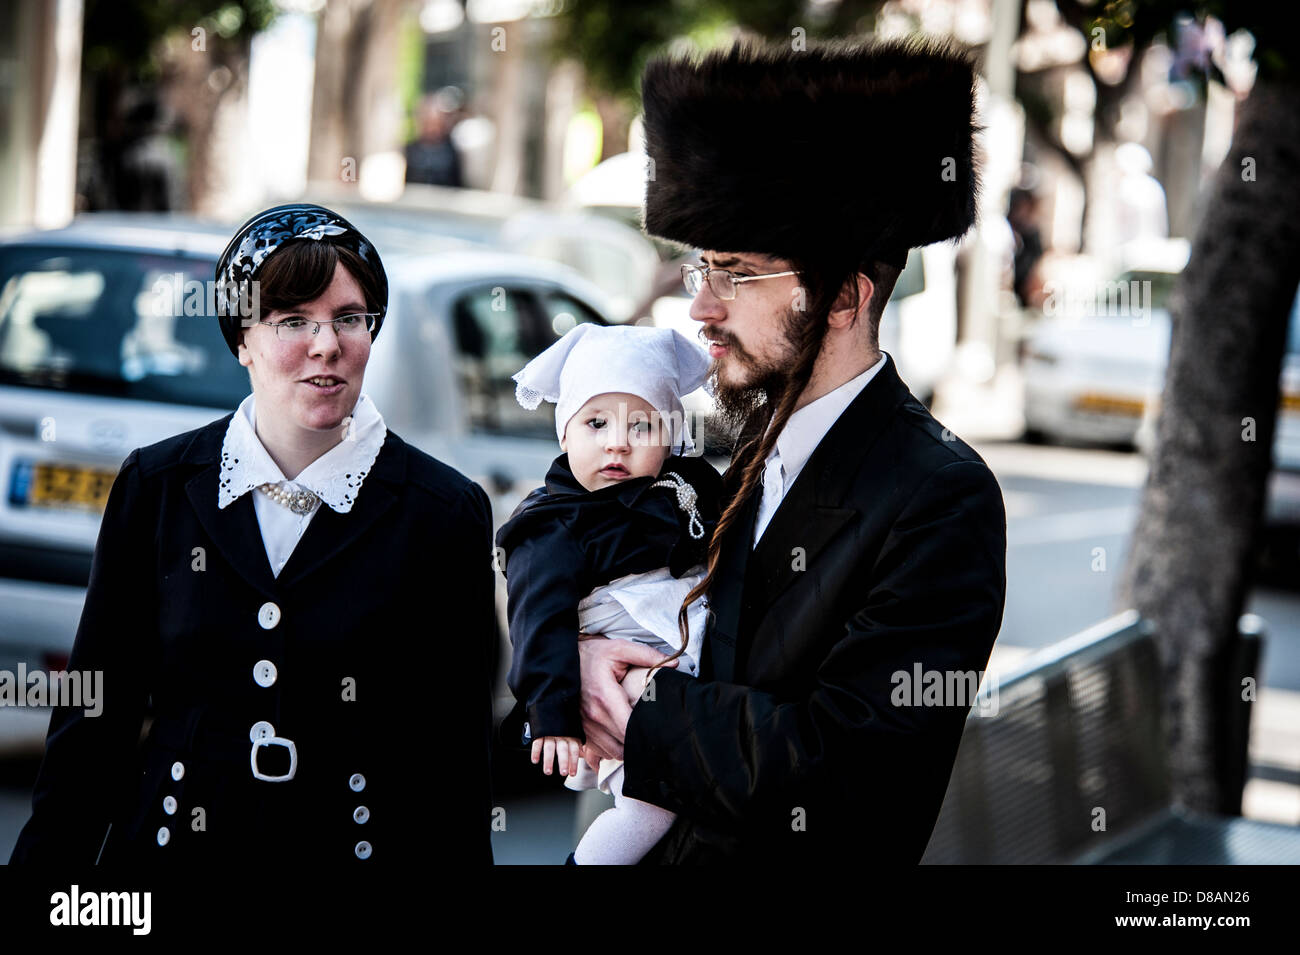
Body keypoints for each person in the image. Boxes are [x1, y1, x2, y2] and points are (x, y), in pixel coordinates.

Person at [575, 38, 1009, 864]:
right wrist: (588, 652)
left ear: (844, 296)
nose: (701, 306)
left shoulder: (940, 494)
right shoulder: (736, 448)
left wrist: (638, 708)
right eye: (701, 267)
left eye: (735, 272)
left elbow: (845, 770)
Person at [9, 203, 496, 866]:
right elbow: (95, 717)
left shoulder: (442, 512)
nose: (326, 344)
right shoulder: (158, 485)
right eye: (292, 320)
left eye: (348, 319)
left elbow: (453, 759)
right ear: (242, 339)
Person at [494, 323, 722, 864]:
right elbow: (539, 620)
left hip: (688, 662)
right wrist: (550, 713)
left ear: (670, 435)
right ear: (564, 433)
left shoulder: (687, 487)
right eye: (596, 422)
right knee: (647, 807)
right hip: (625, 679)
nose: (617, 441)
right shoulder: (553, 523)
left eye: (641, 425)